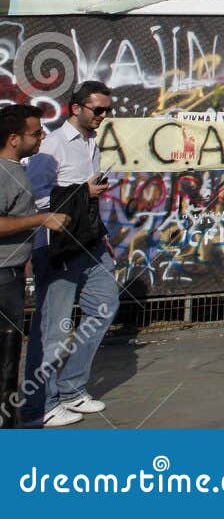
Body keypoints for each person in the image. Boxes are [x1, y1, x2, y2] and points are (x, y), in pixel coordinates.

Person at [25, 81, 120, 428]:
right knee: (52, 328)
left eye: (107, 110)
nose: (103, 116)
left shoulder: (91, 143)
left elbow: (85, 200)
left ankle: (71, 388)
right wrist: (85, 191)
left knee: (105, 306)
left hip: (90, 241)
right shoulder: (51, 147)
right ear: (75, 108)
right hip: (58, 246)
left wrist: (101, 231)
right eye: (98, 110)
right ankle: (41, 404)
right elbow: (34, 200)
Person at [0, 105, 66, 429]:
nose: (42, 137)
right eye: (36, 133)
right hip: (2, 276)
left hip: (10, 273)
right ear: (14, 138)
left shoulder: (16, 170)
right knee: (6, 359)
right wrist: (41, 219)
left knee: (9, 357)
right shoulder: (3, 173)